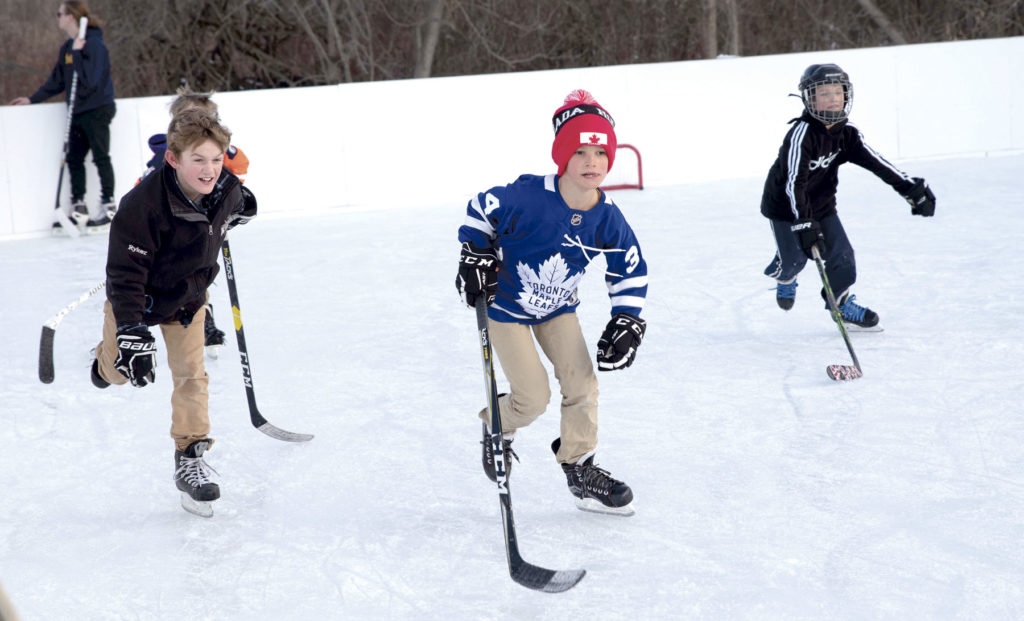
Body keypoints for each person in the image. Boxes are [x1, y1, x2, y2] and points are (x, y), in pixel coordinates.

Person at [456, 89, 648, 516]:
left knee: (582, 385)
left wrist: (627, 319)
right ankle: (497, 426)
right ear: (563, 155)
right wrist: (475, 253)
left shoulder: (607, 215)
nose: (592, 162)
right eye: (580, 151)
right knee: (534, 398)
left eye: (600, 152)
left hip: (558, 309)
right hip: (506, 307)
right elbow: (478, 211)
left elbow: (629, 267)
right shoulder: (527, 197)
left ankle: (580, 467)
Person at [89, 108, 257, 517]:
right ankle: (103, 365)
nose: (209, 169)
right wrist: (129, 328)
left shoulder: (225, 189)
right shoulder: (142, 206)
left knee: (191, 376)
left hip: (187, 301)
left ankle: (190, 455)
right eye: (198, 159)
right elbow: (125, 275)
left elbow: (239, 204)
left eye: (216, 159)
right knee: (119, 372)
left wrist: (243, 208)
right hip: (140, 298)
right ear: (173, 159)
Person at [761, 63, 936, 329]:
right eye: (823, 94)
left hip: (821, 205)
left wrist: (911, 188)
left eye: (836, 93)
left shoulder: (847, 134)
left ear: (846, 95)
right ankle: (784, 275)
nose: (832, 99)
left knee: (842, 256)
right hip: (786, 208)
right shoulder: (801, 135)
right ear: (809, 98)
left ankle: (840, 306)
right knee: (794, 260)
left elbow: (877, 163)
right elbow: (793, 183)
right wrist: (804, 223)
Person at [137, 86, 251, 355]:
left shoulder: (221, 148)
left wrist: (231, 203)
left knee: (200, 271)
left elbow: (239, 168)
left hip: (207, 228)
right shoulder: (167, 154)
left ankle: (203, 316)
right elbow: (142, 189)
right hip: (173, 234)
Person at [9, 1, 117, 233]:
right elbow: (57, 81)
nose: (57, 18)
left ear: (71, 16)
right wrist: (32, 99)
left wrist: (79, 55)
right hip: (76, 111)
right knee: (74, 158)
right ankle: (79, 206)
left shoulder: (94, 45)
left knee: (100, 156)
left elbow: (90, 81)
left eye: (59, 14)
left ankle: (108, 205)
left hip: (97, 109)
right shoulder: (68, 47)